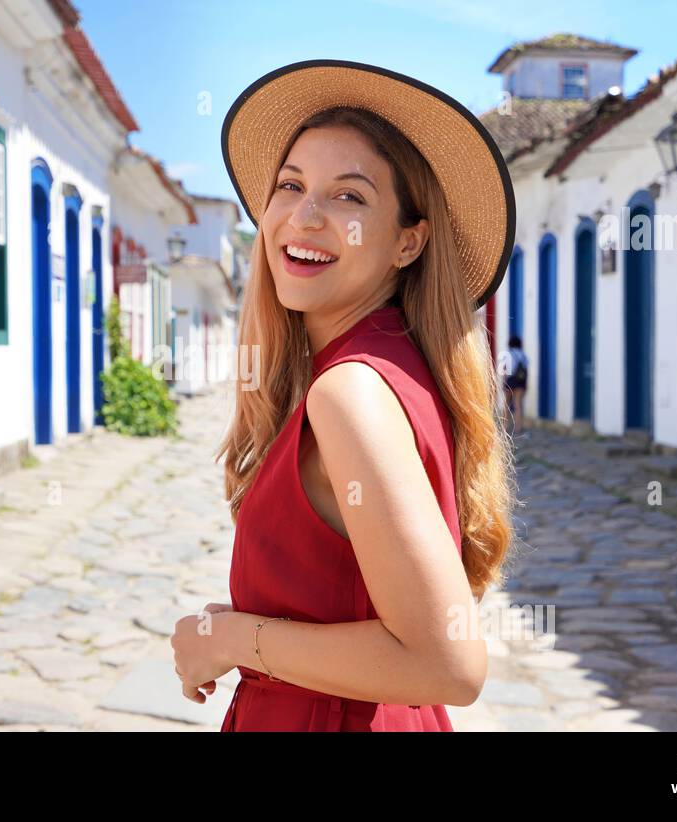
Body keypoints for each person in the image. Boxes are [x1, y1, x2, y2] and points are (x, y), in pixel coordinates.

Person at [169, 60, 519, 731]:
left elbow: (449, 663)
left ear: (407, 242)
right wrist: (256, 624)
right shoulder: (387, 367)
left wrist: (235, 642)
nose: (305, 214)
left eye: (349, 197)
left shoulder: (350, 392)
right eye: (291, 184)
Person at [503, 335, 529, 435]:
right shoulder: (523, 355)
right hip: (521, 381)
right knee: (518, 404)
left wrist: (504, 382)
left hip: (510, 380)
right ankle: (519, 426)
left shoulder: (508, 354)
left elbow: (505, 370)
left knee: (507, 404)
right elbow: (526, 370)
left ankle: (505, 425)